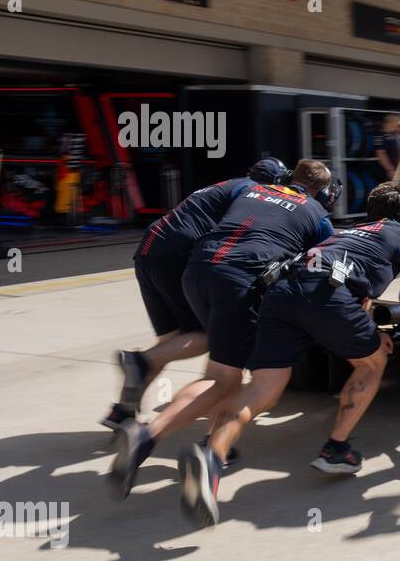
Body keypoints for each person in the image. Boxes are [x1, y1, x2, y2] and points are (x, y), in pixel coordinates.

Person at [177, 181, 400, 527]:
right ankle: (336, 449)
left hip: (283, 289)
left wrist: (365, 328)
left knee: (265, 385)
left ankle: (212, 456)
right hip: (328, 292)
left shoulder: (346, 232)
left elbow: (359, 300)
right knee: (373, 363)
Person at [107, 160, 336, 500]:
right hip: (240, 278)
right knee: (225, 378)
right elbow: (326, 260)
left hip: (197, 271)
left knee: (219, 367)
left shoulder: (253, 190)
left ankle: (213, 443)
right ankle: (154, 437)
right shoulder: (316, 212)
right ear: (322, 191)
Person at [102, 158, 288, 430]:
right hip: (175, 255)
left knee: (172, 341)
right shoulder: (251, 193)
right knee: (208, 336)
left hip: (149, 249)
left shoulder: (227, 185)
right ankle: (140, 361)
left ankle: (122, 411)